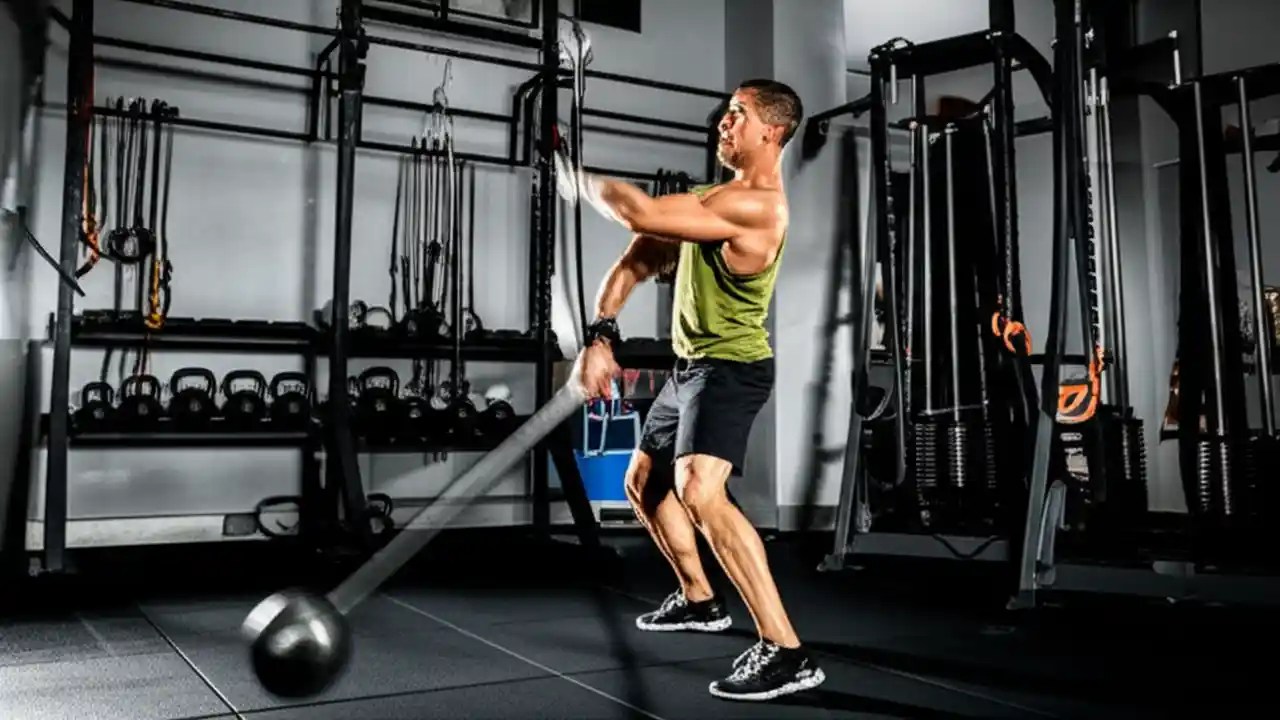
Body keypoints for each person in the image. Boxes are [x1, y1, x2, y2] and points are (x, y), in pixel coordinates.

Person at [556, 78, 824, 702]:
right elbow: (637, 257)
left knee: (699, 490)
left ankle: (786, 651)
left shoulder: (759, 206)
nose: (722, 124)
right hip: (689, 367)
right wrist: (600, 337)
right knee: (642, 485)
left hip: (731, 366)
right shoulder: (710, 200)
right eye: (725, 113)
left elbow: (638, 211)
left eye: (738, 114)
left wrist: (578, 179)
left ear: (772, 131)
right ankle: (702, 600)